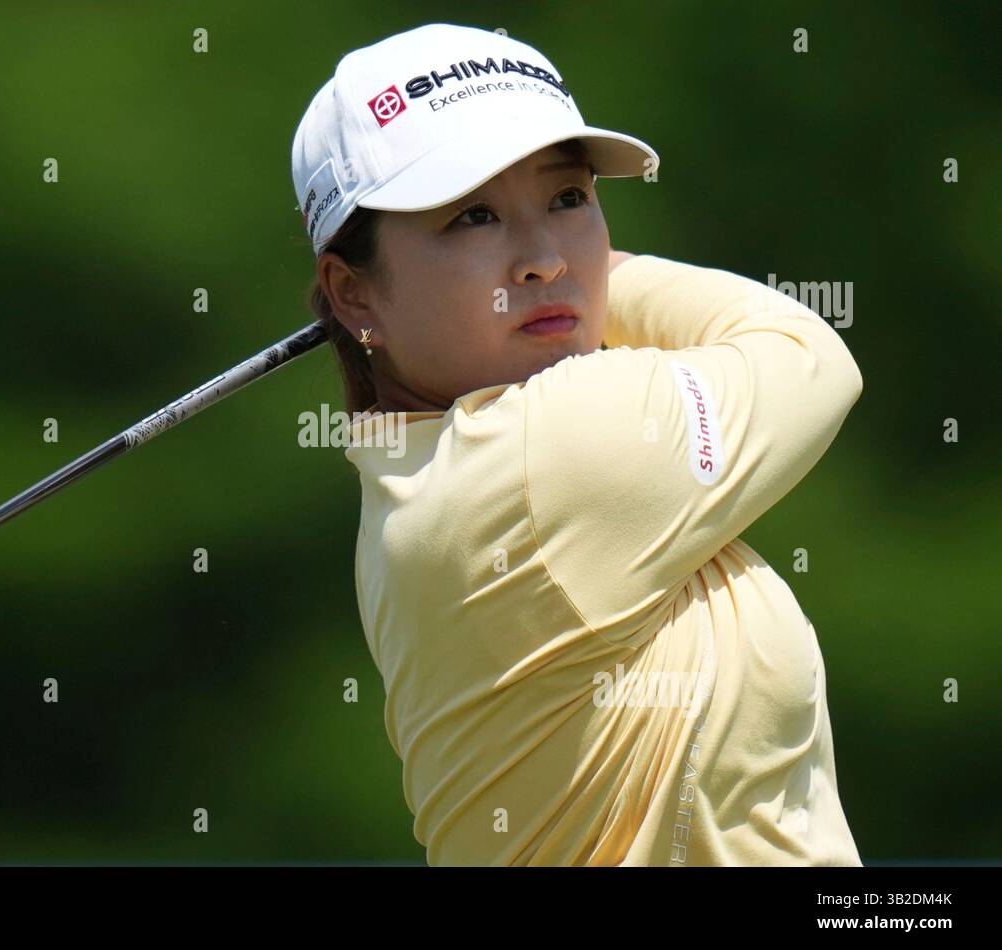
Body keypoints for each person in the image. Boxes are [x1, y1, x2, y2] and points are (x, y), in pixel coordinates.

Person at [291, 23, 864, 865]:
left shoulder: (412, 473)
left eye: (568, 201)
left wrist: (566, 286)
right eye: (474, 216)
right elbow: (807, 354)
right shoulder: (542, 452)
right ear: (355, 295)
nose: (542, 259)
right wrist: (600, 274)